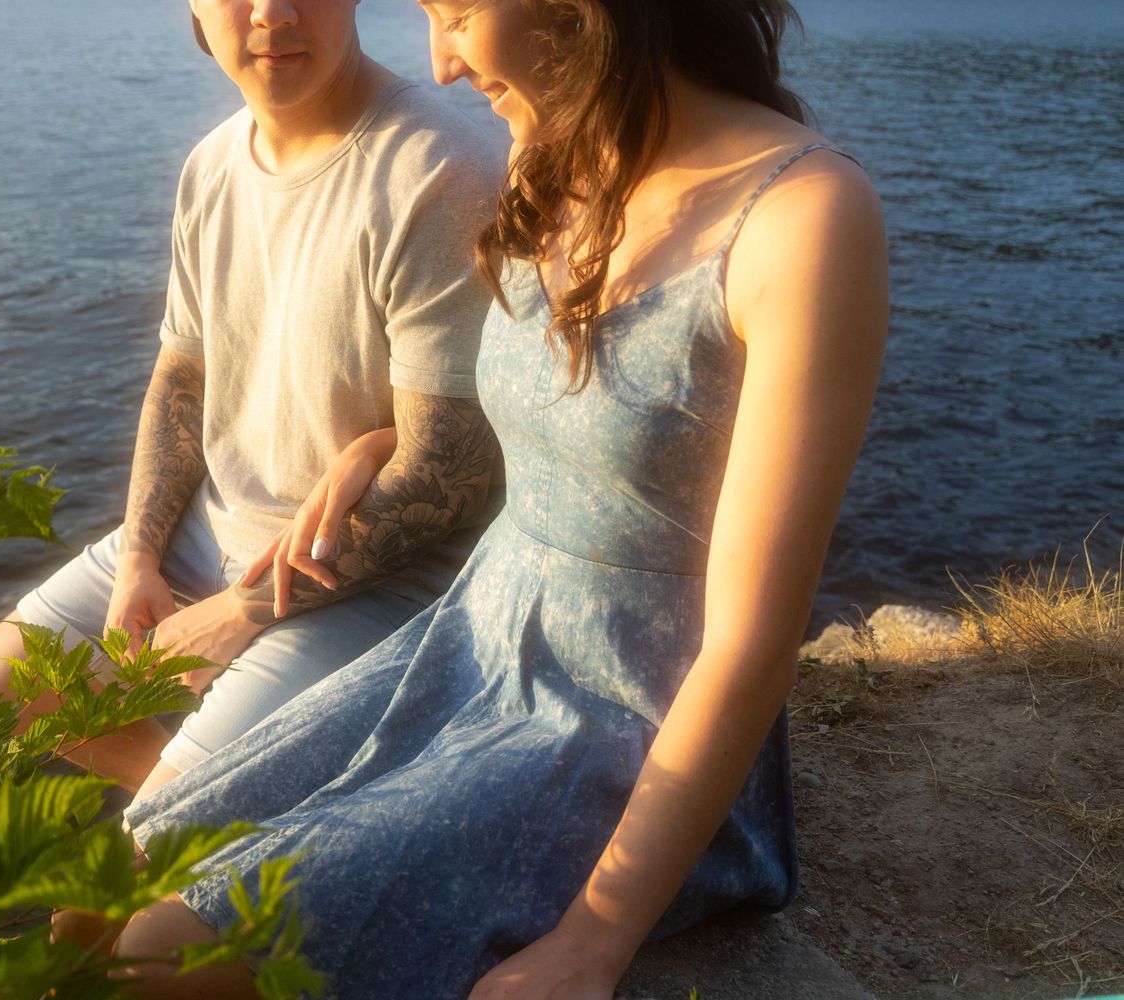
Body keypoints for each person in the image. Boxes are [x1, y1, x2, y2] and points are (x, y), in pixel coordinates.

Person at [109, 0, 888, 996]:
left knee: (165, 953)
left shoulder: (801, 219)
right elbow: (579, 414)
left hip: (620, 719)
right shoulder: (553, 158)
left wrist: (592, 941)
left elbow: (752, 644)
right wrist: (383, 443)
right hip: (472, 643)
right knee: (135, 860)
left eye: (459, 13)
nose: (438, 64)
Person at [0, 0, 504, 800]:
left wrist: (239, 613)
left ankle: (186, 817)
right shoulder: (214, 165)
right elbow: (183, 378)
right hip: (208, 536)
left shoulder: (438, 168)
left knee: (156, 852)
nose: (272, 14)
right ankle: (192, 809)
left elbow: (446, 474)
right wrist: (140, 563)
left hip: (365, 576)